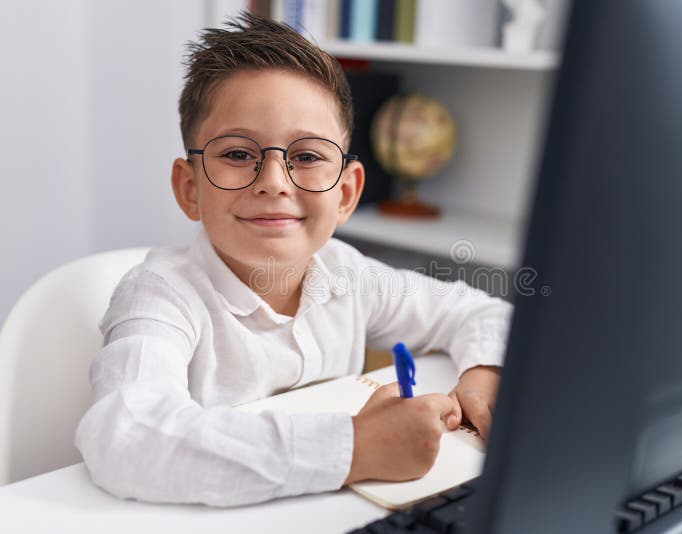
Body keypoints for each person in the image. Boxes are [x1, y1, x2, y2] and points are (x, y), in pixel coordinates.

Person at [75, 12, 512, 507]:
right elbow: (127, 435)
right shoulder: (159, 295)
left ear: (346, 193)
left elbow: (478, 311)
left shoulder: (346, 273)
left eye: (306, 157)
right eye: (238, 154)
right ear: (189, 188)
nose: (275, 181)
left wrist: (485, 370)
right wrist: (356, 448)